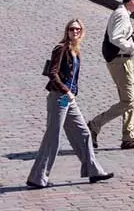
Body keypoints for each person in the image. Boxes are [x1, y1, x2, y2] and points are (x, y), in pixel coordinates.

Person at [27, 18, 111, 188]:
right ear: (67, 31)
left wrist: (71, 93)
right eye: (72, 29)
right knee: (53, 137)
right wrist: (66, 91)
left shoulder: (76, 50)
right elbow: (53, 73)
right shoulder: (61, 48)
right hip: (59, 97)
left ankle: (93, 171)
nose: (75, 32)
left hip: (68, 98)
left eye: (78, 30)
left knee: (84, 132)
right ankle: (37, 177)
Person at [87, 0, 134, 150]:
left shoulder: (122, 13)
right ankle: (94, 125)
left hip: (121, 60)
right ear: (132, 0)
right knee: (128, 101)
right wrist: (132, 46)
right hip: (120, 62)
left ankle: (129, 137)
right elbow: (116, 38)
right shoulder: (121, 14)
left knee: (130, 101)